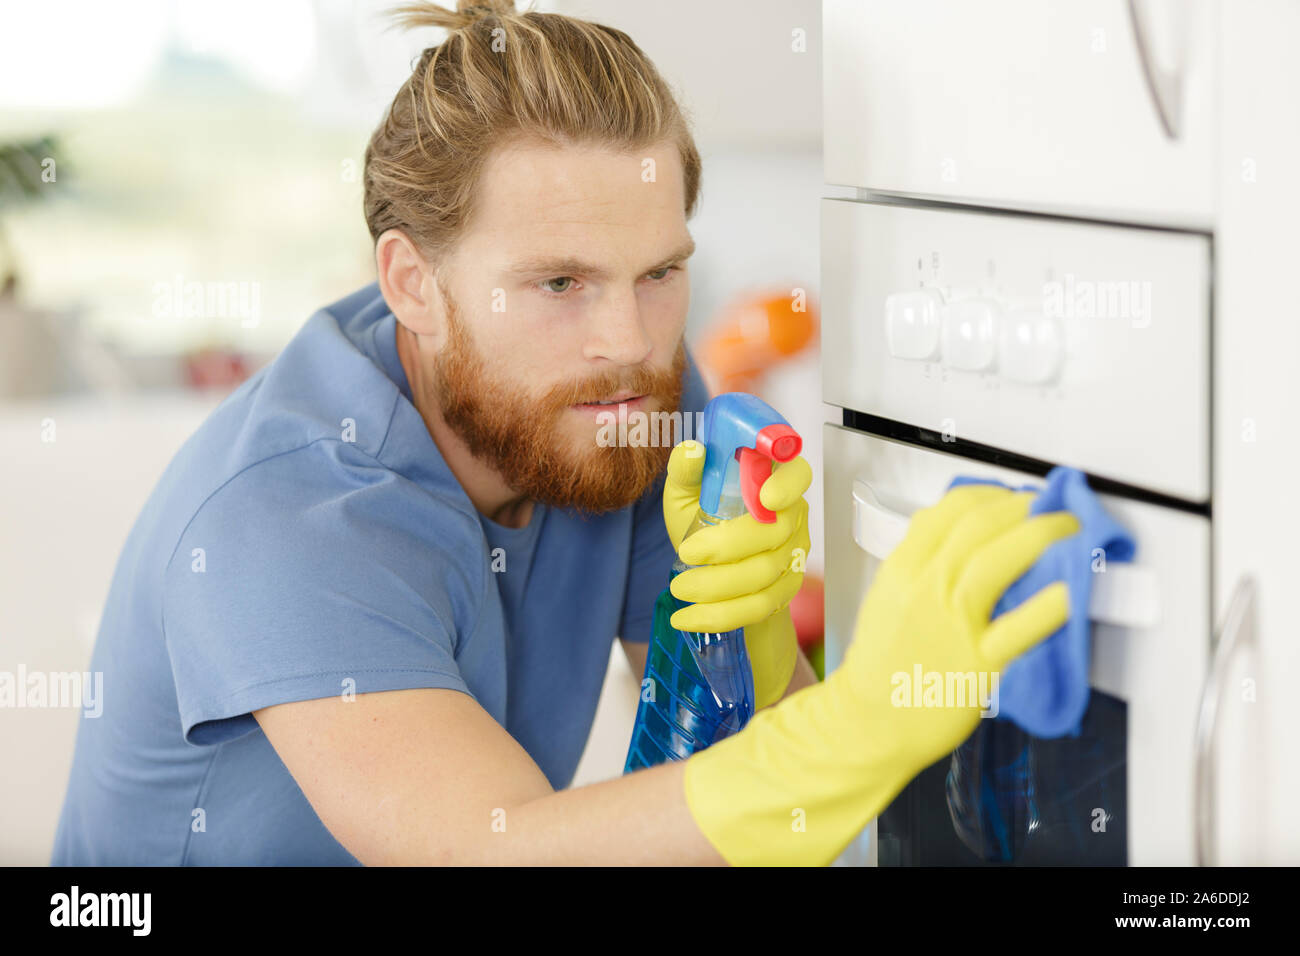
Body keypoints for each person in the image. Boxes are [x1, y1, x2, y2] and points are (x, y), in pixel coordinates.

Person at [51, 0, 1076, 866]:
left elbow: (721, 803)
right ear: (413, 284)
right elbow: (495, 846)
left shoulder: (616, 406)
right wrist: (863, 716)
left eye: (660, 273)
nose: (629, 341)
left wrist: (750, 648)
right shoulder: (285, 515)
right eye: (558, 283)